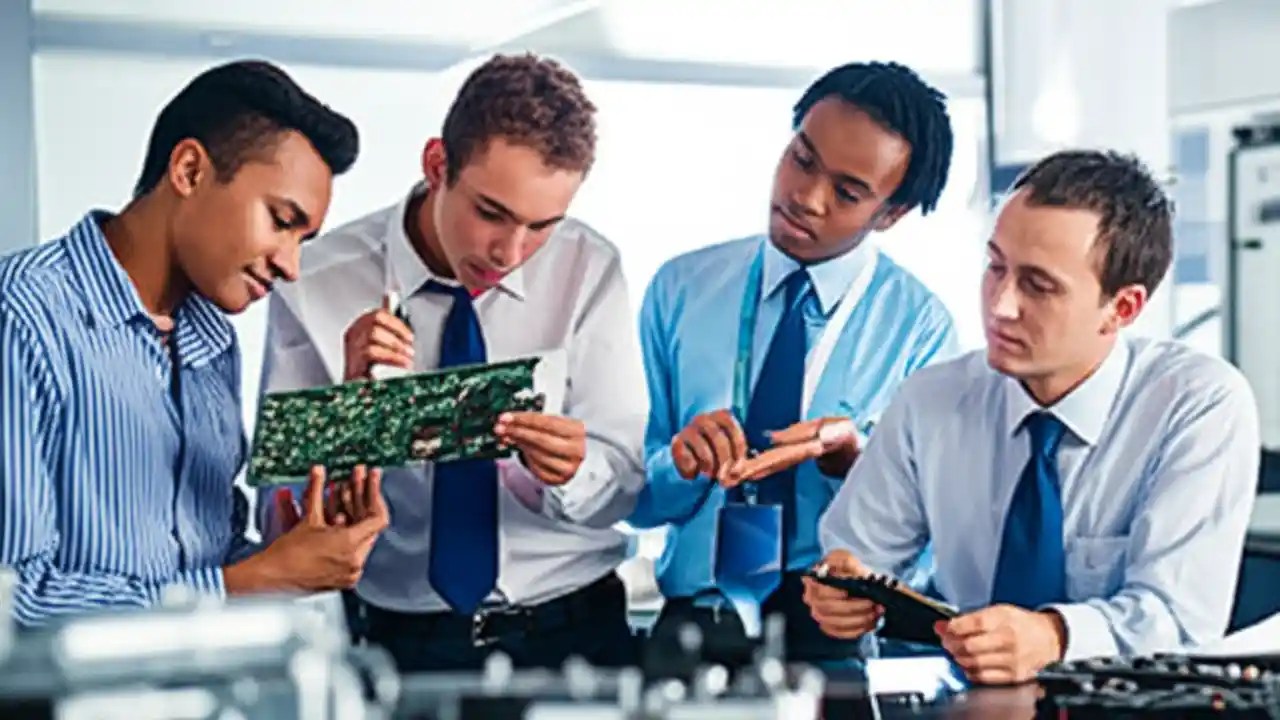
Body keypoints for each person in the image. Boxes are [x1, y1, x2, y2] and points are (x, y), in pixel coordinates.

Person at [258, 53, 647, 672]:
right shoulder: (315, 281)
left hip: (575, 630)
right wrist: (346, 419)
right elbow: (278, 526)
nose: (510, 252)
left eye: (542, 226)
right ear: (437, 165)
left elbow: (623, 486)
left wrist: (573, 472)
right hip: (400, 646)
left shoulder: (589, 268)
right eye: (491, 213)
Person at [813, 150, 1260, 684]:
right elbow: (854, 556)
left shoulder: (1197, 404)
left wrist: (1053, 636)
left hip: (1129, 705)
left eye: (1038, 285)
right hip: (966, 701)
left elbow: (1180, 617)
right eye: (995, 267)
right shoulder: (931, 400)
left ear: (1122, 308)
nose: (1000, 306)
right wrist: (842, 593)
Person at [0, 59, 389, 628]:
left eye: (304, 240)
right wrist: (253, 581)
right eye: (281, 220)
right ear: (189, 170)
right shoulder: (23, 316)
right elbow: (13, 601)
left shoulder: (213, 344)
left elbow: (207, 559)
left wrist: (290, 558)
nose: (291, 265)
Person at [628, 61, 960, 666]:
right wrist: (678, 462)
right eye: (802, 160)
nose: (806, 198)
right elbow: (634, 500)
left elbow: (929, 536)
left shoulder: (921, 330)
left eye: (847, 193)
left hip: (829, 635)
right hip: (690, 628)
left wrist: (853, 464)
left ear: (892, 213)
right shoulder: (680, 288)